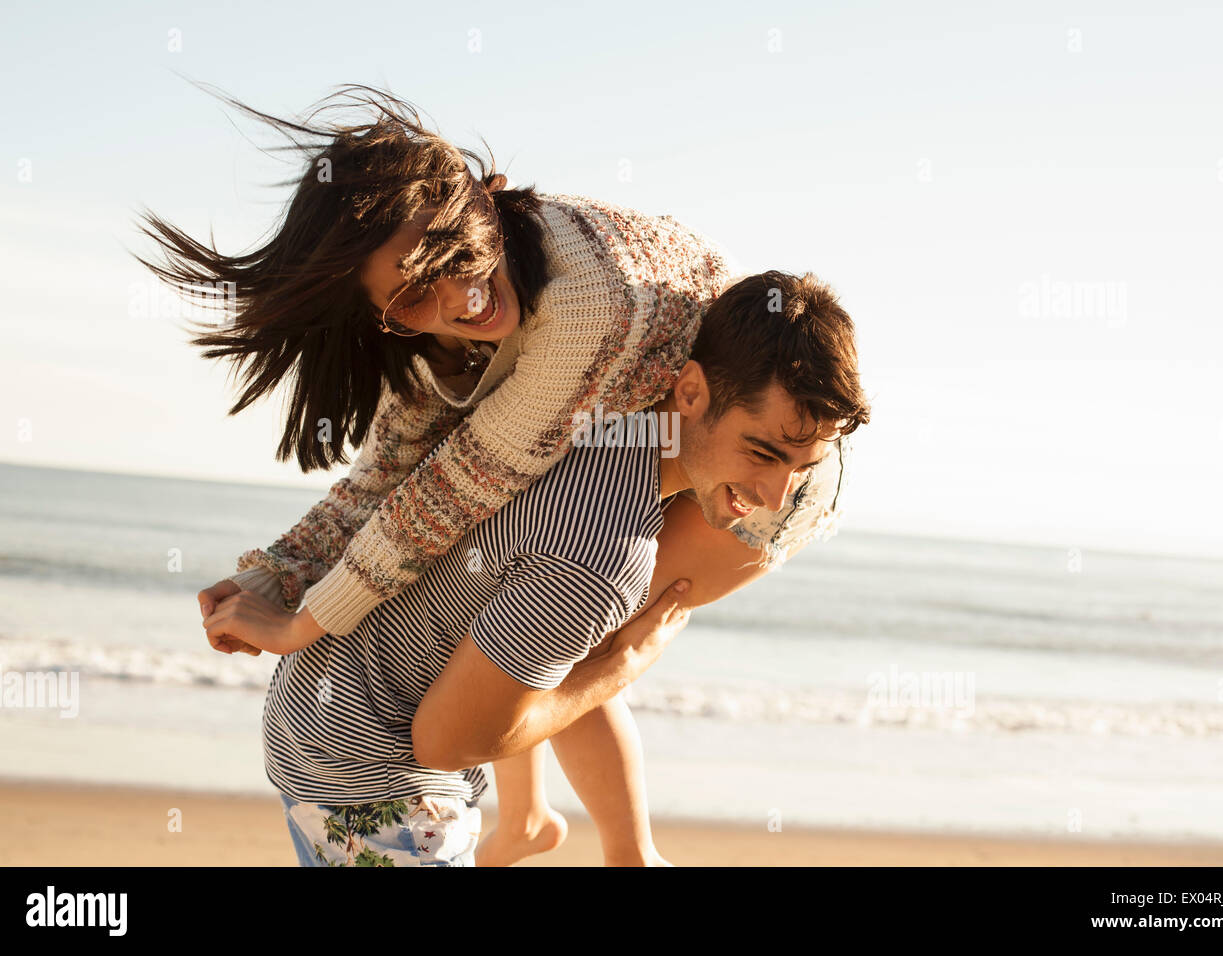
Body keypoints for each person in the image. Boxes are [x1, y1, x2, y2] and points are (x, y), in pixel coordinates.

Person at [138, 83, 866, 863]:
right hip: (658, 419)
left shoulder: (586, 311)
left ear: (485, 202)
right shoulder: (439, 344)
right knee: (527, 602)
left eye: (455, 258)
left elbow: (446, 499)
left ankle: (629, 852)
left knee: (578, 619)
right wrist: (278, 575)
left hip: (760, 430)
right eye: (414, 294)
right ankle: (525, 817)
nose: (462, 296)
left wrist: (303, 622)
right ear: (378, 311)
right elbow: (384, 482)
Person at [203, 271, 869, 865]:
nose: (776, 499)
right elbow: (447, 740)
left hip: (319, 725)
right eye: (762, 451)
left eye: (801, 472)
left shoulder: (585, 410)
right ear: (690, 390)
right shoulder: (603, 558)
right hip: (375, 783)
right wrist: (616, 670)